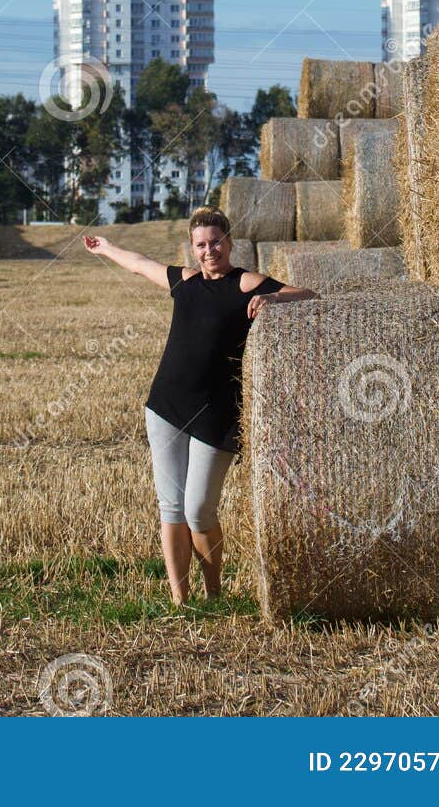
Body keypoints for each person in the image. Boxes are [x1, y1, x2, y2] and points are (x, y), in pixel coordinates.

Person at [83, 206, 317, 604]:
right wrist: (107, 248)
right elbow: (141, 265)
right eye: (201, 245)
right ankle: (180, 598)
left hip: (218, 414)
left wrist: (273, 297)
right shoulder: (185, 281)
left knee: (199, 510)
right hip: (166, 406)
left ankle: (214, 591)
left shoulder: (246, 283)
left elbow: (310, 296)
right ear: (193, 250)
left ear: (229, 243)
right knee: (171, 508)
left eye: (216, 242)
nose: (210, 250)